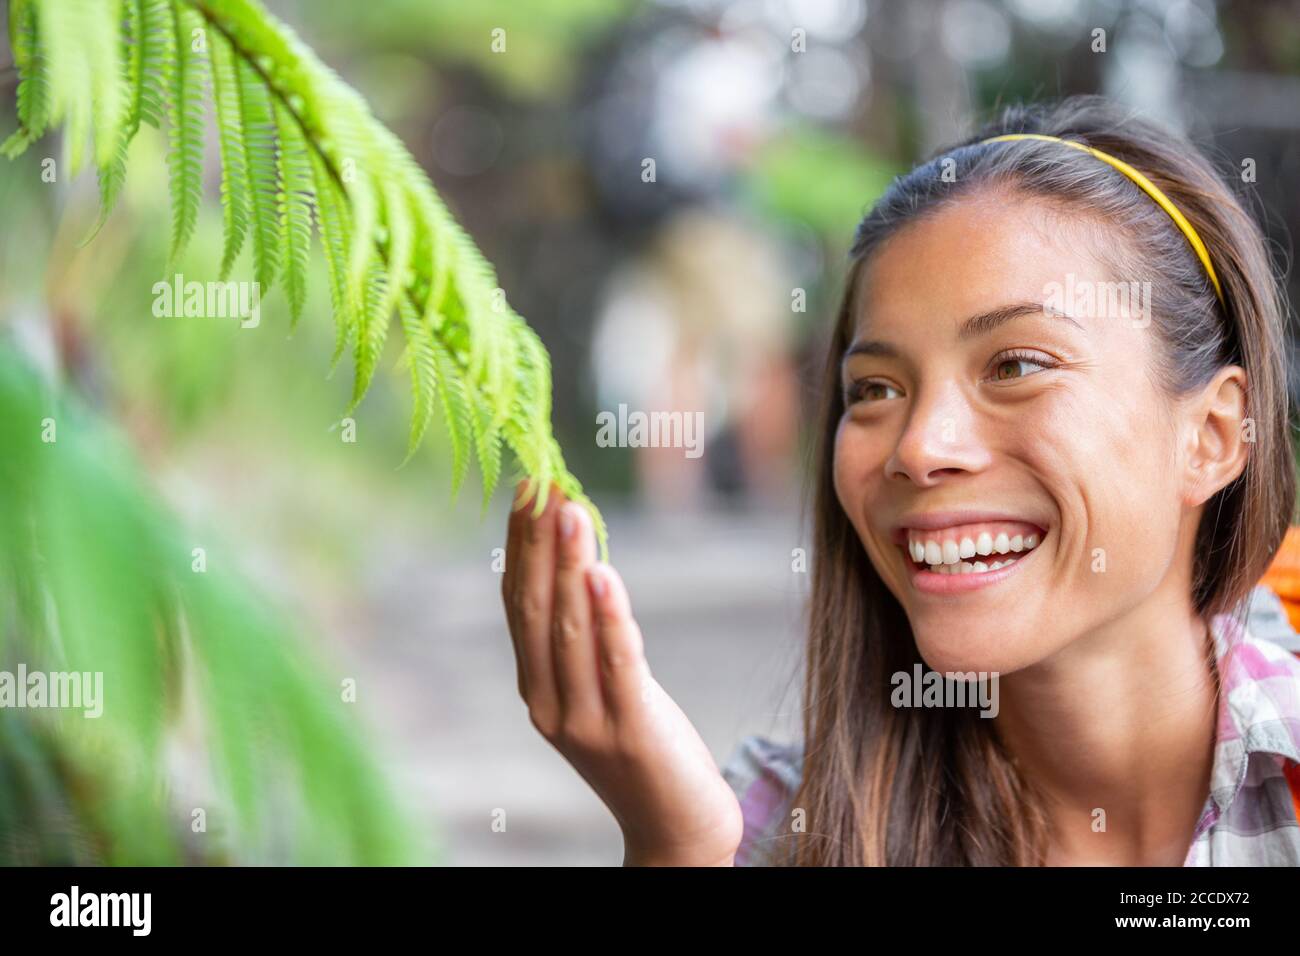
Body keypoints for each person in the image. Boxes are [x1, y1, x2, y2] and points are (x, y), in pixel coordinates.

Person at [499, 96, 1300, 866]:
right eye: (875, 389)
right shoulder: (765, 825)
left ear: (1212, 437)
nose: (919, 447)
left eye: (1017, 365)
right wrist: (674, 850)